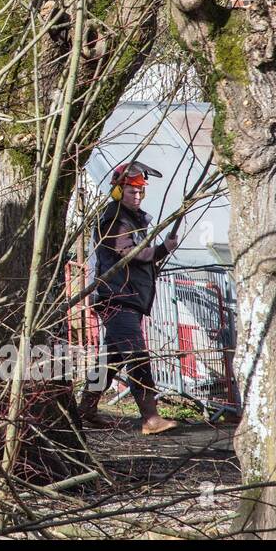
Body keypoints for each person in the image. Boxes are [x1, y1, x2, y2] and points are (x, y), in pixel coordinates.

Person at [78, 161, 180, 435]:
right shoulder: (114, 219)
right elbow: (129, 253)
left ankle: (85, 410)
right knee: (137, 356)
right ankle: (150, 418)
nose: (137, 196)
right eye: (132, 191)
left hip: (127, 298)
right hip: (116, 299)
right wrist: (161, 250)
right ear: (118, 191)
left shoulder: (131, 219)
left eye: (140, 192)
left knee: (110, 360)